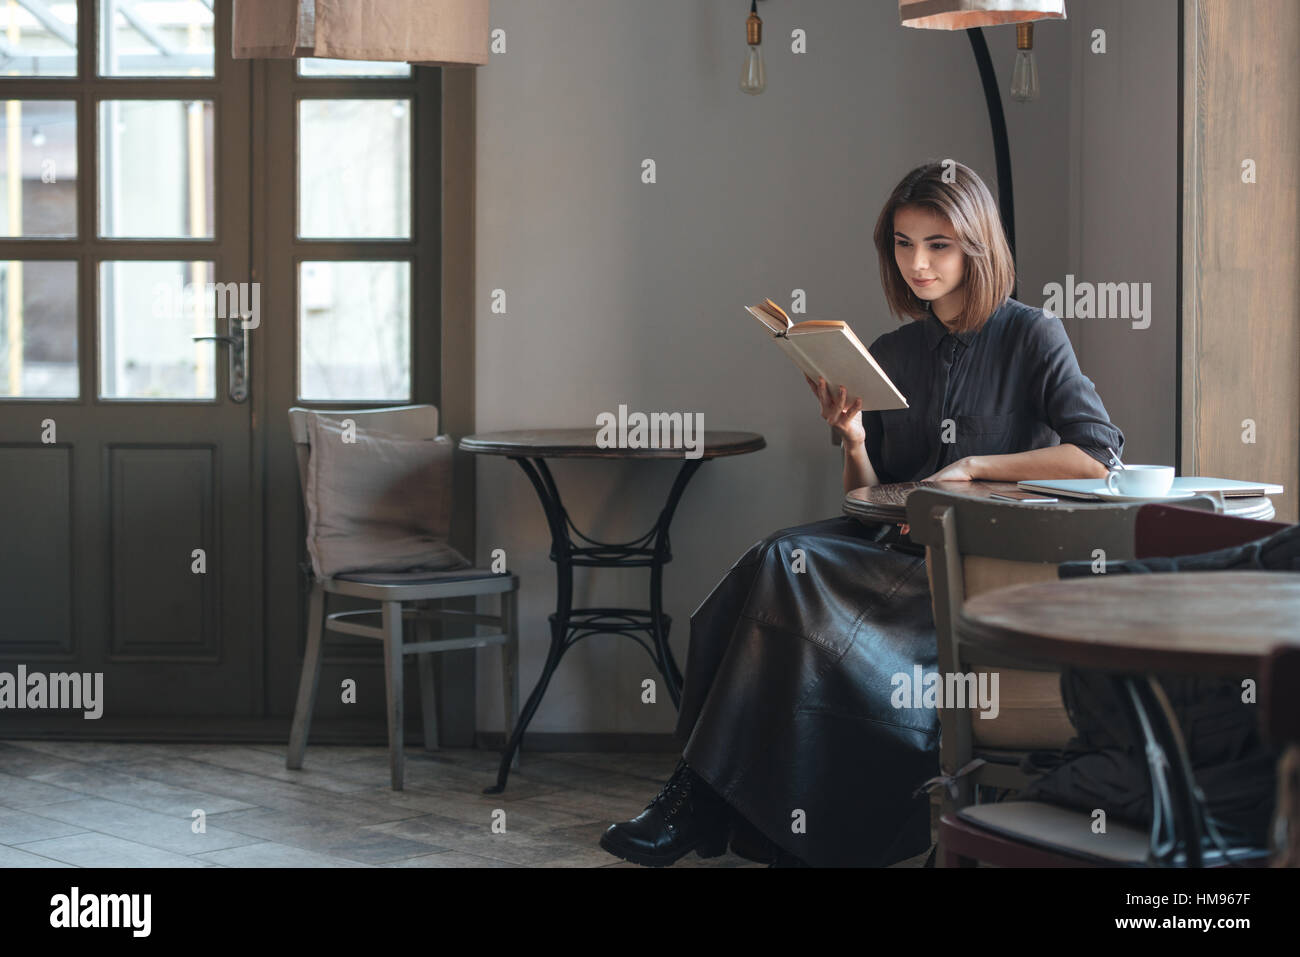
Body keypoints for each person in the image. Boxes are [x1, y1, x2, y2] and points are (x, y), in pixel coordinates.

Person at [599, 159, 1126, 868]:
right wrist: (851, 438)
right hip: (888, 545)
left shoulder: (1031, 335)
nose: (918, 262)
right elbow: (867, 493)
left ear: (976, 244)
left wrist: (973, 467)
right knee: (770, 562)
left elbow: (1097, 452)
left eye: (937, 244)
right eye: (904, 244)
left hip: (969, 565)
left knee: (791, 564)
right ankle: (713, 798)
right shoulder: (890, 353)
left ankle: (702, 802)